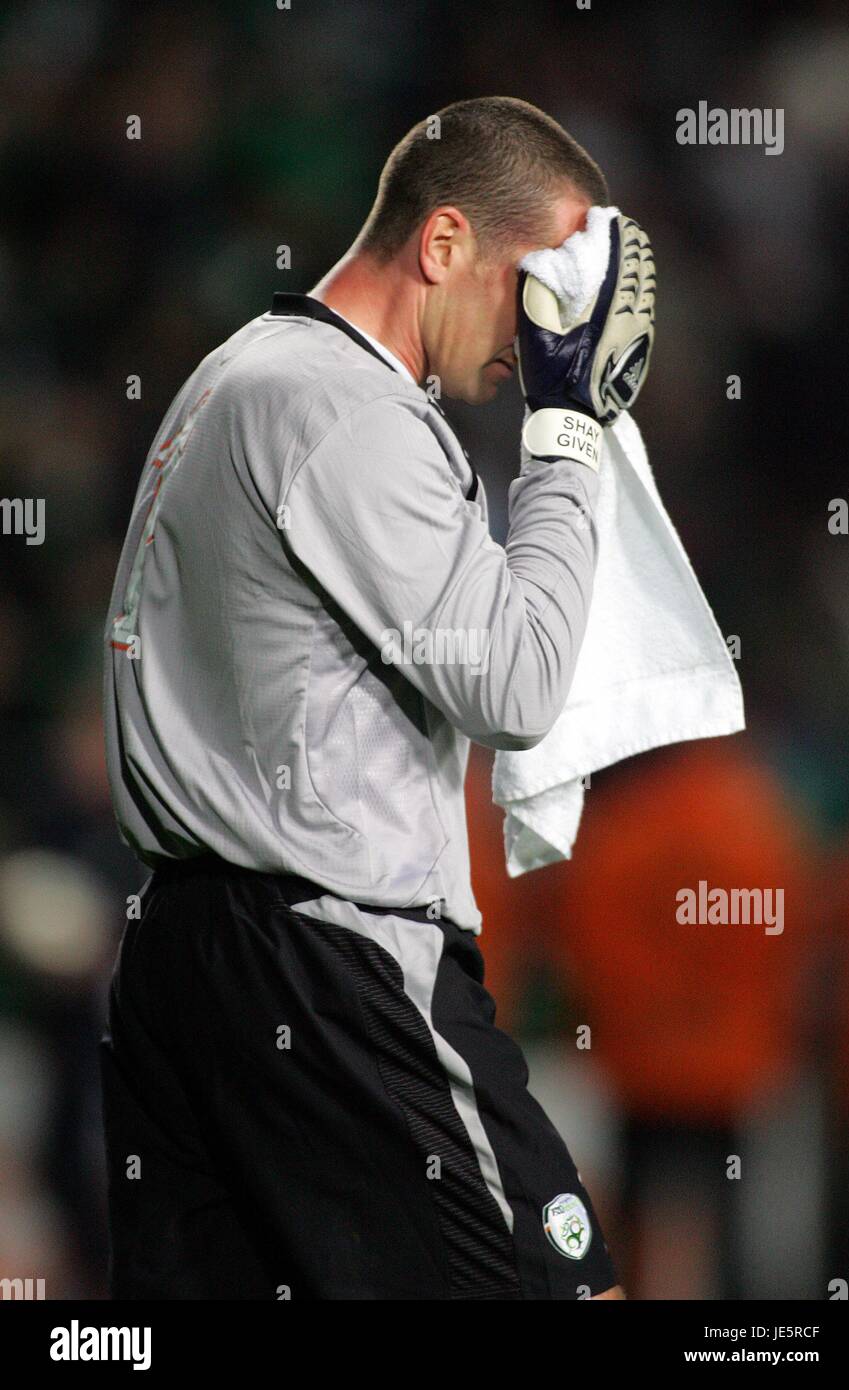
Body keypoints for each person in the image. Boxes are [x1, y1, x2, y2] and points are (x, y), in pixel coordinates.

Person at [100, 95, 652, 1300]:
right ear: (443, 243)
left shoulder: (240, 371)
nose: (552, 327)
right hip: (330, 963)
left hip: (193, 956)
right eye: (538, 284)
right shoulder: (344, 404)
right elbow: (515, 682)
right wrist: (564, 432)